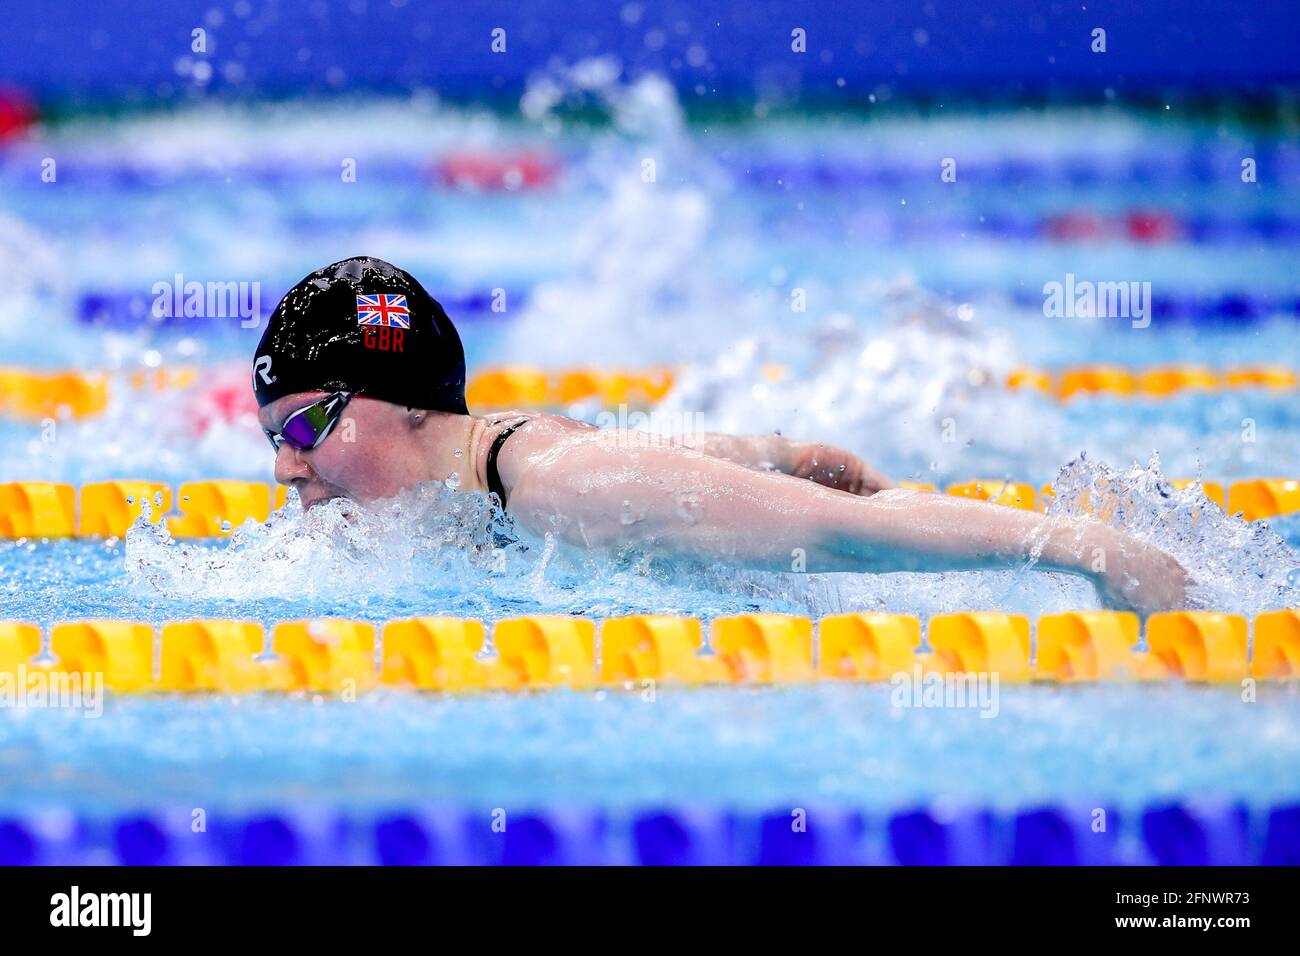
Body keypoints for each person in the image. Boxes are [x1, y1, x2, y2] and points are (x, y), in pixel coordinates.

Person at [253, 256, 1187, 615]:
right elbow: (682, 474)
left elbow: (838, 532)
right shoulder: (487, 469)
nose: (289, 466)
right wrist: (780, 456)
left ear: (409, 399)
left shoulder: (555, 488)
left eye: (307, 422)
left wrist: (1086, 547)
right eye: (274, 438)